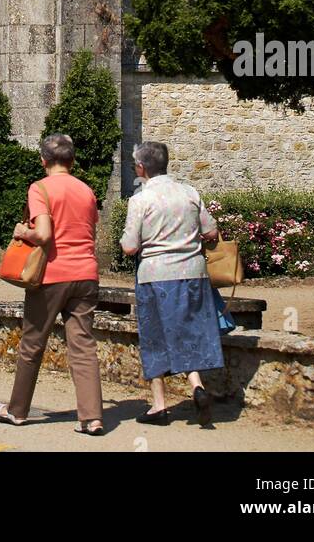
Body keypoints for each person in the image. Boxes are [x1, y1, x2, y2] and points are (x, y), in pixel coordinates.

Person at [0, 133, 104, 435]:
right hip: (86, 274)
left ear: (43, 160)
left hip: (53, 275)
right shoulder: (86, 190)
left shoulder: (39, 188)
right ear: (72, 160)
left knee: (32, 343)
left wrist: (21, 231)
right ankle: (92, 417)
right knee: (83, 346)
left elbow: (43, 234)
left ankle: (17, 411)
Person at [120, 140, 223, 427]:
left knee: (155, 336)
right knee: (186, 331)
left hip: (157, 275)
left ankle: (159, 406)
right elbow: (211, 230)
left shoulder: (140, 200)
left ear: (141, 168)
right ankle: (196, 386)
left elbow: (129, 246)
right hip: (193, 273)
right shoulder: (189, 192)